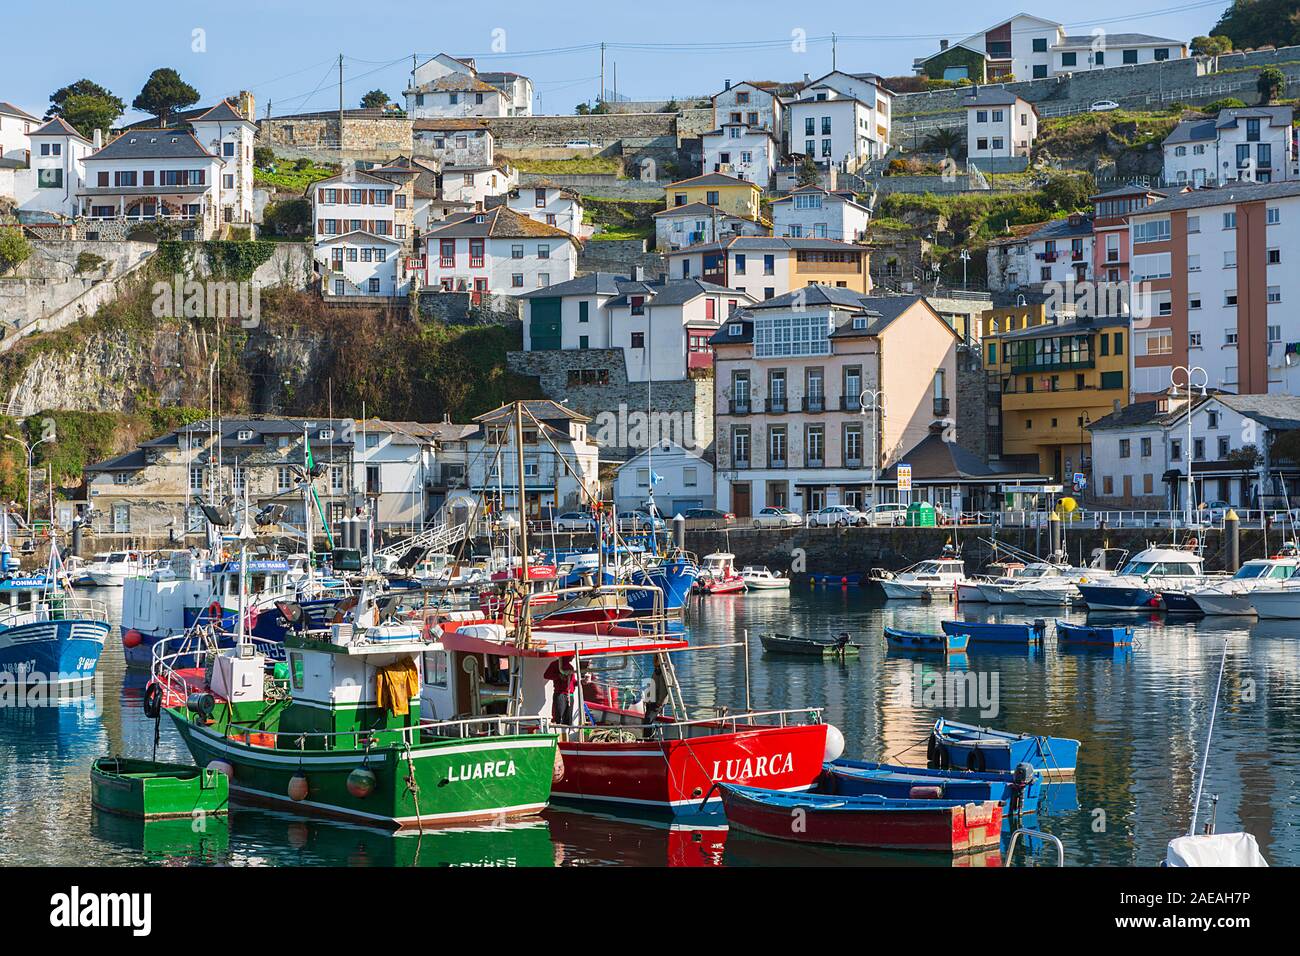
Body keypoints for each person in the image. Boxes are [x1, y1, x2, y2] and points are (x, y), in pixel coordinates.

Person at [544, 656, 577, 724]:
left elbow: (573, 682)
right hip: (560, 694)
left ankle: (566, 732)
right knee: (558, 717)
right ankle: (556, 729)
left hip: (570, 694)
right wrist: (559, 676)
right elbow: (546, 675)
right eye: (572, 655)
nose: (573, 657)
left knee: (568, 720)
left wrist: (582, 682)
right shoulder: (555, 664)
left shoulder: (570, 667)